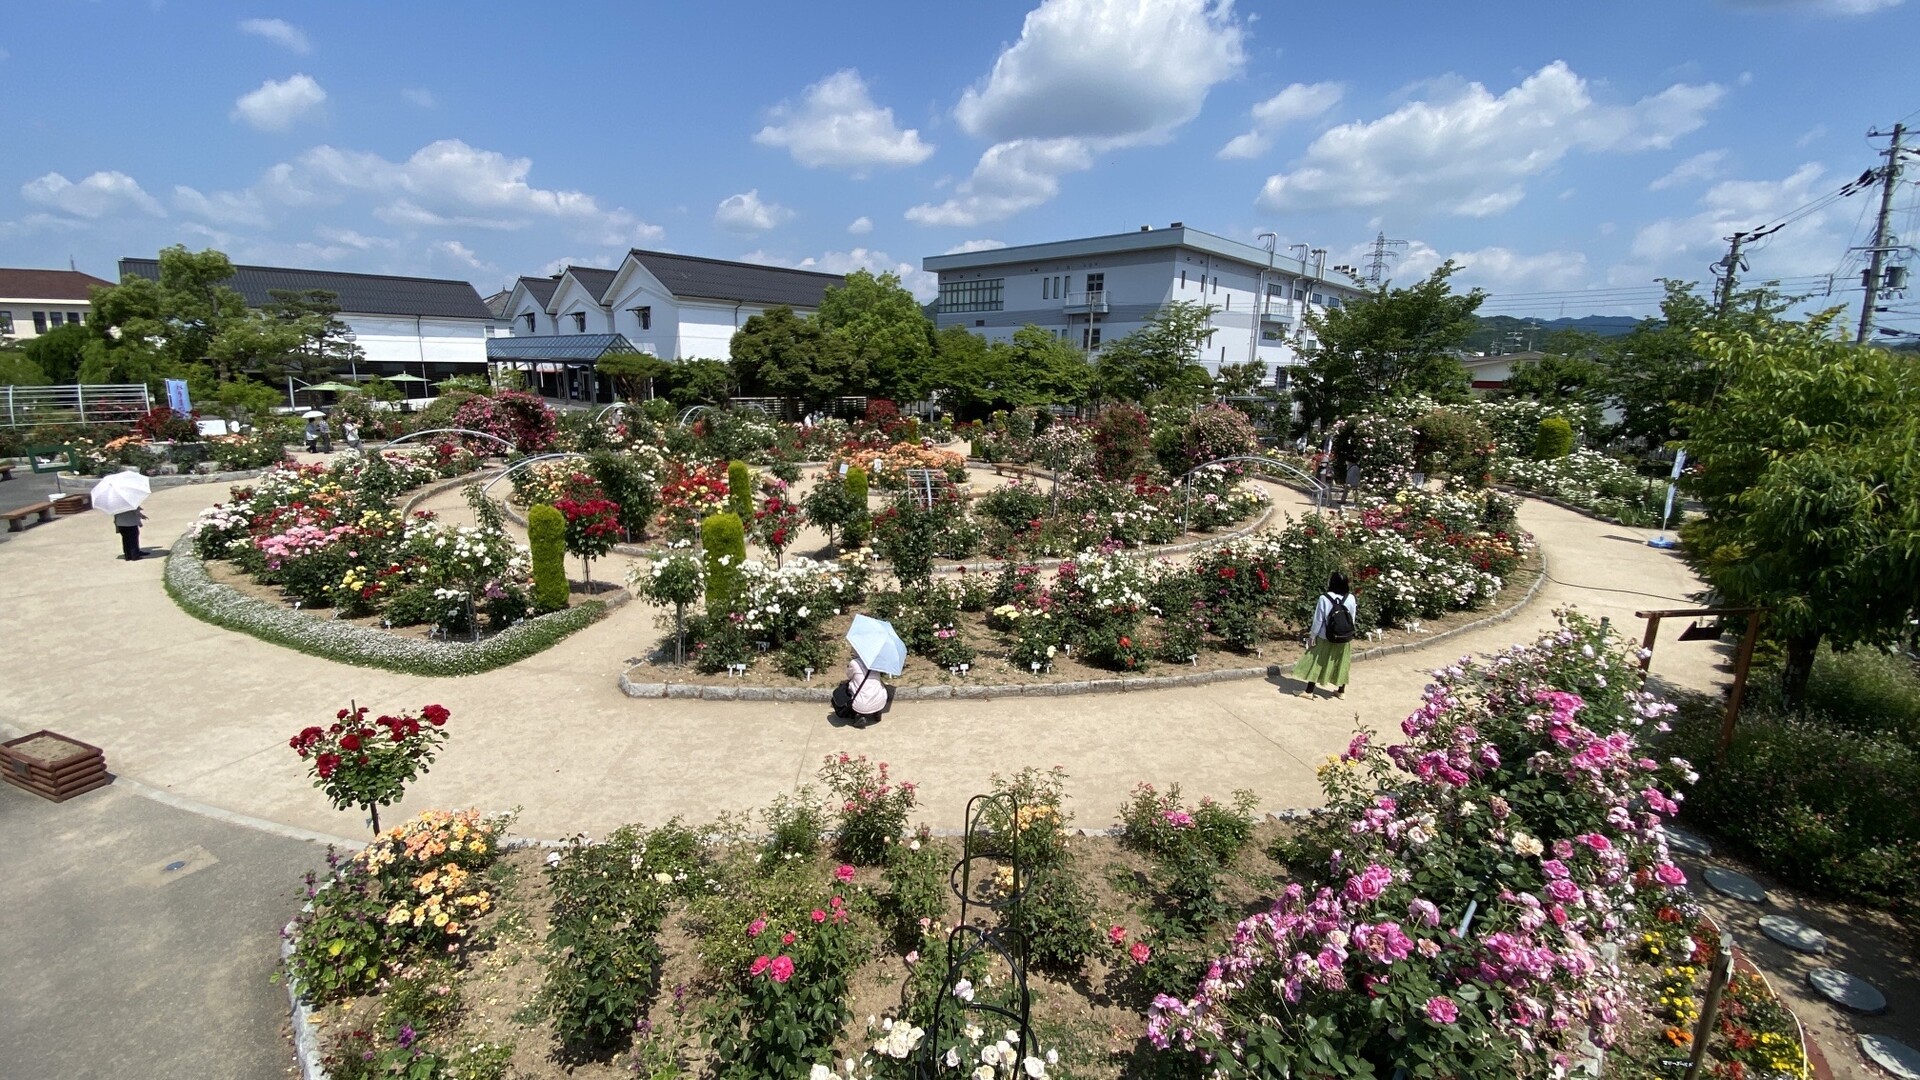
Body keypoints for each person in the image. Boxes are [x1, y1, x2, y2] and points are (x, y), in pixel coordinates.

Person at [1292, 571, 1357, 698]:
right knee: (1342, 663)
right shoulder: (1351, 597)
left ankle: (1309, 691)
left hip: (1325, 636)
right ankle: (1341, 691)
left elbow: (1318, 620)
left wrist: (1312, 636)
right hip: (1344, 636)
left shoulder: (1324, 598)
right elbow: (1352, 618)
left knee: (1317, 661)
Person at [834, 655, 891, 727]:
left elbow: (849, 676)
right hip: (880, 700)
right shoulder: (876, 663)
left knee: (850, 688)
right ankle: (876, 712)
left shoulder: (854, 663)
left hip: (861, 703)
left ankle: (859, 715)